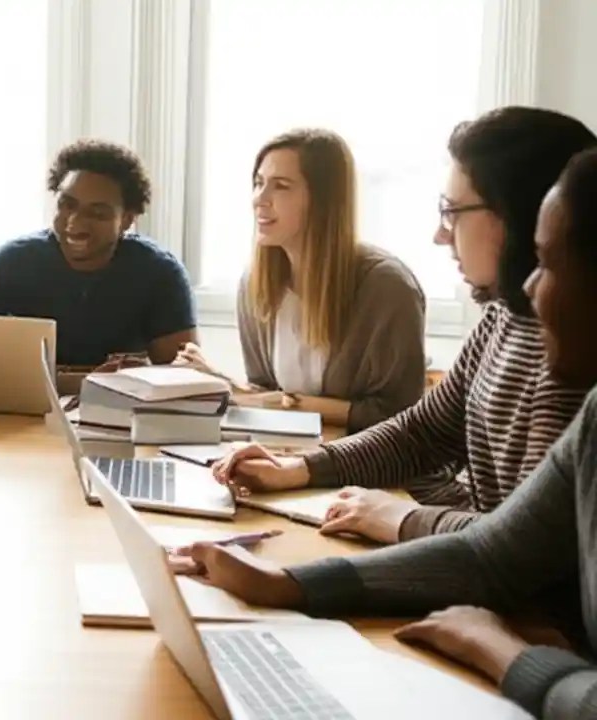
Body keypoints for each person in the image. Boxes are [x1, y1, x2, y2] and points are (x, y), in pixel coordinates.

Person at [179, 147, 597, 720]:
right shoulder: (557, 374)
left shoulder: (563, 371)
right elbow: (494, 546)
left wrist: (503, 652)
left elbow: (522, 567)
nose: (529, 286)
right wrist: (285, 583)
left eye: (549, 263)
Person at [213, 107, 596, 544]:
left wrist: (401, 518)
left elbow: (526, 545)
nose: (441, 233)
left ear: (521, 215)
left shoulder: (568, 351)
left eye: (452, 211)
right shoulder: (502, 319)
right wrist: (300, 468)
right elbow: (422, 432)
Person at [175, 129, 427, 432]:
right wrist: (228, 387)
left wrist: (249, 395)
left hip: (368, 467)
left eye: (280, 186)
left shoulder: (387, 287)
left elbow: (399, 417)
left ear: (324, 201)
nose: (260, 199)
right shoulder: (255, 283)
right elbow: (264, 394)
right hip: (290, 454)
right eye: (258, 183)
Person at [0, 139, 197, 368]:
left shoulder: (159, 274)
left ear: (127, 220)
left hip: (120, 405)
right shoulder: (9, 264)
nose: (75, 222)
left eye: (97, 213)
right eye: (67, 205)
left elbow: (181, 378)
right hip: (25, 403)